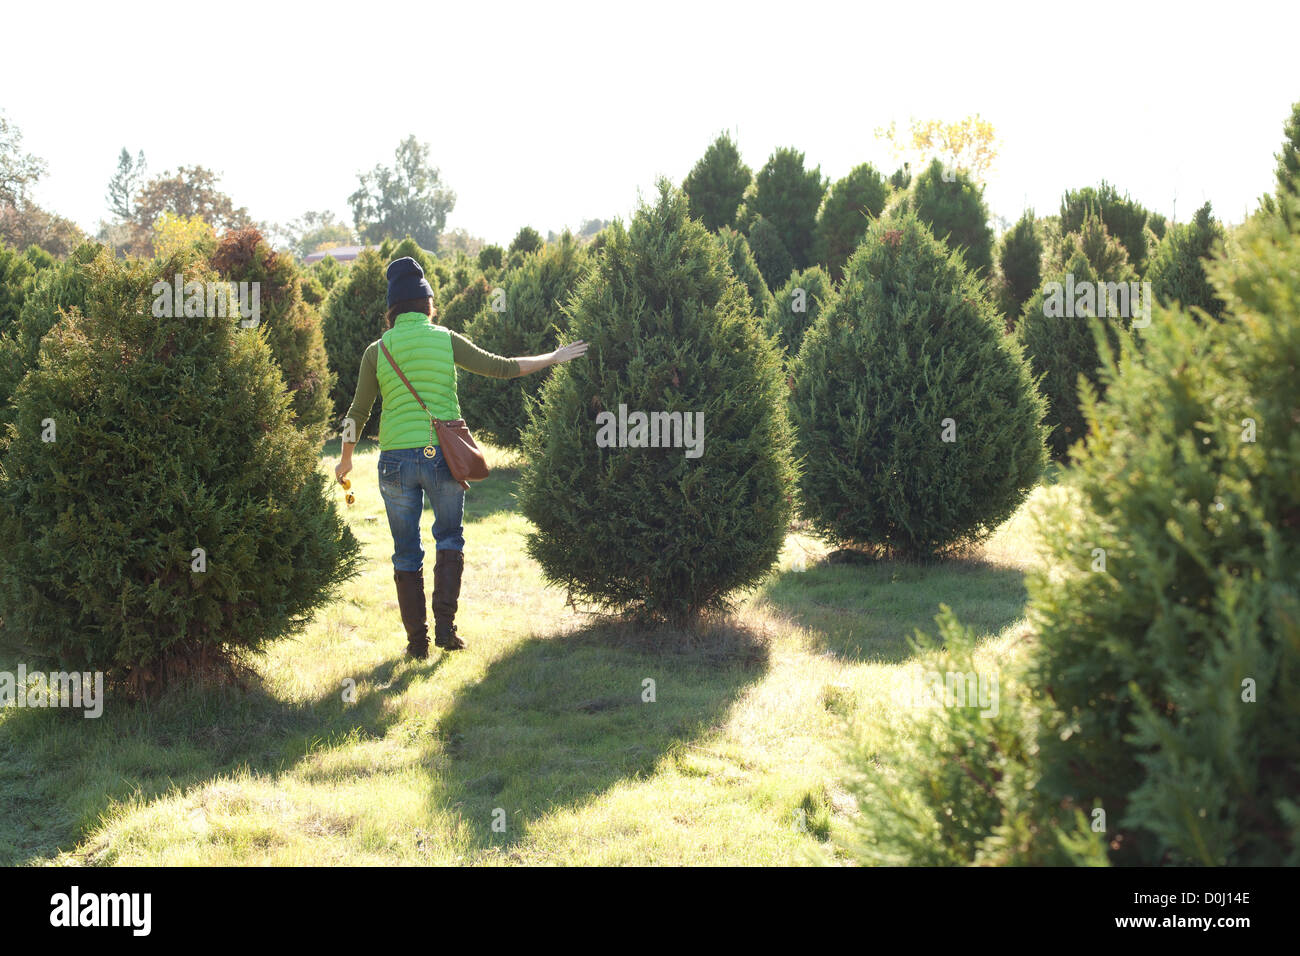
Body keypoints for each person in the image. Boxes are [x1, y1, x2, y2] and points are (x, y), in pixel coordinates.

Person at [335, 256, 588, 659]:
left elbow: (357, 411)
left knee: (405, 550)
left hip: (395, 461)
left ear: (392, 309)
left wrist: (346, 458)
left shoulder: (376, 351)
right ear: (428, 304)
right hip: (443, 456)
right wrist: (552, 357)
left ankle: (416, 643)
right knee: (449, 538)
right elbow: (503, 368)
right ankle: (445, 629)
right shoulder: (446, 339)